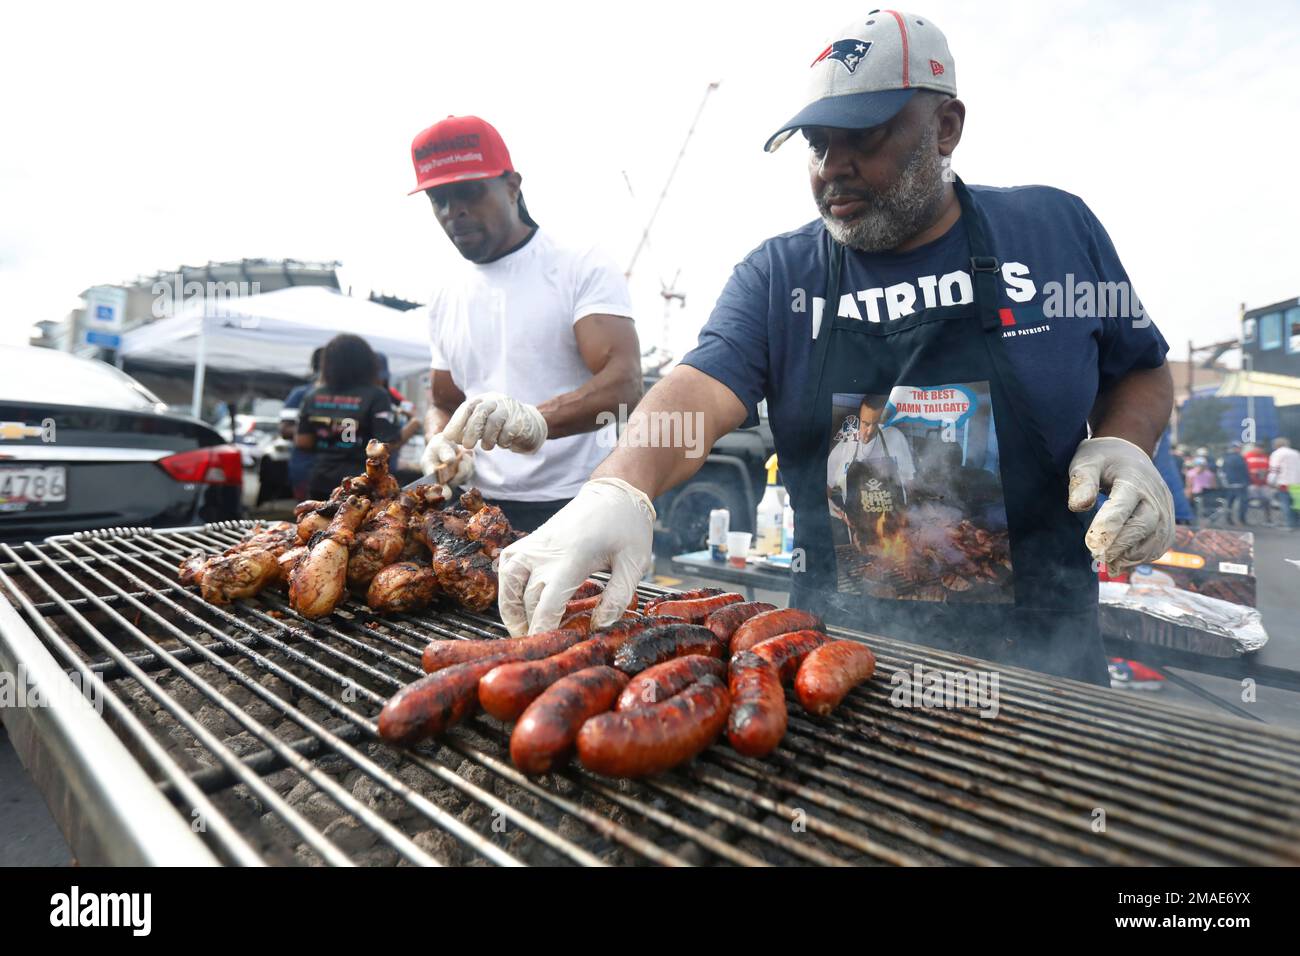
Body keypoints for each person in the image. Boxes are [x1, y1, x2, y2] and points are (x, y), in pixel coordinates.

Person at [494, 11, 1176, 686]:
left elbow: (1140, 369)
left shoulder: (1052, 232)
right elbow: (697, 391)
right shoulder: (778, 276)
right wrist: (621, 486)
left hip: (1045, 661)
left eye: (863, 137)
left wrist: (1126, 445)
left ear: (946, 127)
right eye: (817, 145)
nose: (833, 168)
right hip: (832, 665)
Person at [409, 115, 642, 532]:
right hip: (477, 510)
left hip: (573, 504)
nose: (452, 211)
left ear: (512, 186)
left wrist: (534, 420)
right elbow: (444, 400)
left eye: (468, 192)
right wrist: (439, 441)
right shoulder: (446, 293)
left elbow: (624, 384)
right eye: (438, 199)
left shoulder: (578, 265)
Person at [295, 335, 401, 500]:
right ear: (367, 362)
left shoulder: (313, 395)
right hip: (362, 486)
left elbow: (303, 442)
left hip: (320, 482)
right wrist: (413, 426)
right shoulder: (377, 395)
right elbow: (385, 445)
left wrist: (330, 437)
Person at [281, 347, 324, 500]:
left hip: (339, 470)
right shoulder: (301, 394)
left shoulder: (351, 396)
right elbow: (285, 430)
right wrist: (319, 431)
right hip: (306, 468)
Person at [1268, 437, 1300, 529]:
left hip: (1284, 482)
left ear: (1276, 445)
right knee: (1296, 504)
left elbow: (1274, 470)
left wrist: (1271, 481)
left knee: (1286, 504)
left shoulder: (1277, 454)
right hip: (1297, 482)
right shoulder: (1296, 453)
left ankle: (1290, 524)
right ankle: (1297, 523)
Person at [1217, 442, 1249, 525]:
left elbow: (1221, 472)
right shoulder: (1240, 458)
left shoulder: (1224, 458)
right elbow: (1244, 471)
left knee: (1229, 503)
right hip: (1240, 484)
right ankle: (1242, 519)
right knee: (1243, 502)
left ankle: (1229, 519)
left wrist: (1224, 483)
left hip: (1229, 484)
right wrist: (1246, 481)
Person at [1184, 457, 1217, 521]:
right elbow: (1214, 486)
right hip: (1208, 495)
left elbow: (1189, 486)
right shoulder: (1210, 474)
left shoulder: (1190, 473)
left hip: (1195, 494)